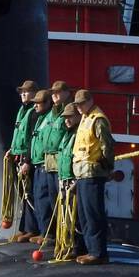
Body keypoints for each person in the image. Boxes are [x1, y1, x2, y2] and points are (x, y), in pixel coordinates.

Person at [72, 88, 116, 264]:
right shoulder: (85, 118)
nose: (79, 108)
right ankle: (90, 249)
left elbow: (107, 145)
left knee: (93, 214)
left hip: (92, 172)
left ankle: (98, 253)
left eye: (81, 104)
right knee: (83, 214)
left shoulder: (98, 119)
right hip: (82, 172)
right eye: (77, 105)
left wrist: (107, 167)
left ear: (90, 101)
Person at [30, 80, 72, 246]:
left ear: (67, 93)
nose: (55, 95)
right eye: (53, 93)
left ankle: (63, 236)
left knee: (60, 202)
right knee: (47, 200)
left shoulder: (69, 111)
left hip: (59, 163)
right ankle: (49, 232)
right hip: (48, 162)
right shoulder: (52, 113)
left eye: (58, 92)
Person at [51, 102, 85, 263]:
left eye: (70, 117)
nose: (66, 120)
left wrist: (76, 180)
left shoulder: (80, 134)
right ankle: (68, 245)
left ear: (78, 116)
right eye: (65, 118)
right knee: (66, 217)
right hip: (64, 179)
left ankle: (78, 247)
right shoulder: (67, 134)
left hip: (73, 180)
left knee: (76, 217)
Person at [7, 79, 40, 242]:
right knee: (23, 195)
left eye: (26, 91)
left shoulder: (33, 112)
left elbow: (31, 139)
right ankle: (25, 228)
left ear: (34, 93)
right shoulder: (23, 110)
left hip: (28, 159)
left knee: (30, 194)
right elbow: (19, 134)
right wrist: (12, 151)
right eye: (21, 92)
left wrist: (27, 161)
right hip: (18, 156)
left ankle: (32, 229)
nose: (23, 94)